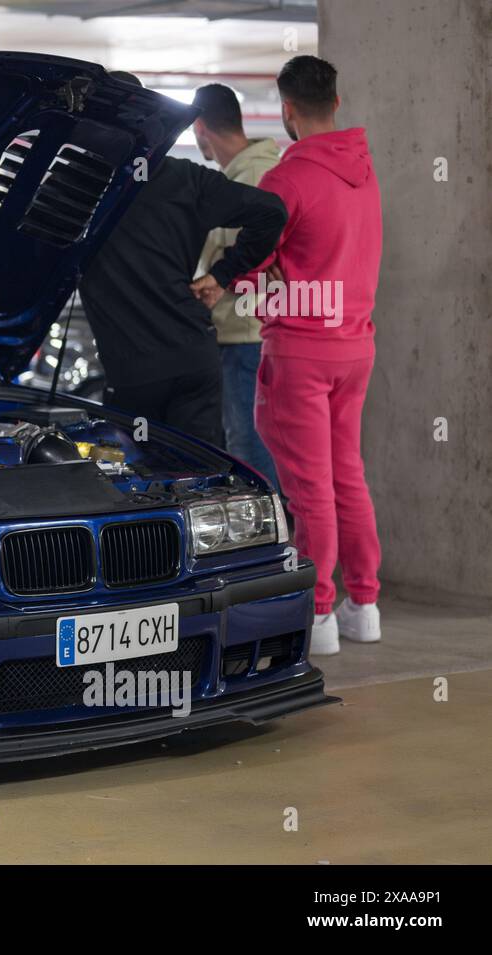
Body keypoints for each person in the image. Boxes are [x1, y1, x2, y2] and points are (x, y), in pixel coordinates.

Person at [191, 56, 383, 656]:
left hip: (300, 350)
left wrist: (223, 282)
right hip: (356, 345)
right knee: (346, 476)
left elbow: (256, 257)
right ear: (337, 101)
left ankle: (318, 613)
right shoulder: (365, 170)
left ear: (288, 110)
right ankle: (365, 604)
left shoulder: (288, 179)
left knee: (309, 489)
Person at [79, 71, 287, 448]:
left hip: (134, 369)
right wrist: (222, 275)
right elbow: (271, 212)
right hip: (195, 358)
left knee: (136, 484)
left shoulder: (81, 189)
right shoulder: (187, 178)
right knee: (202, 481)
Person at [191, 83, 282, 491]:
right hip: (251, 333)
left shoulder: (251, 181)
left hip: (246, 336)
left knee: (249, 445)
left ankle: (271, 541)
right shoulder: (256, 172)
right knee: (255, 441)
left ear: (199, 127)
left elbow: (267, 258)